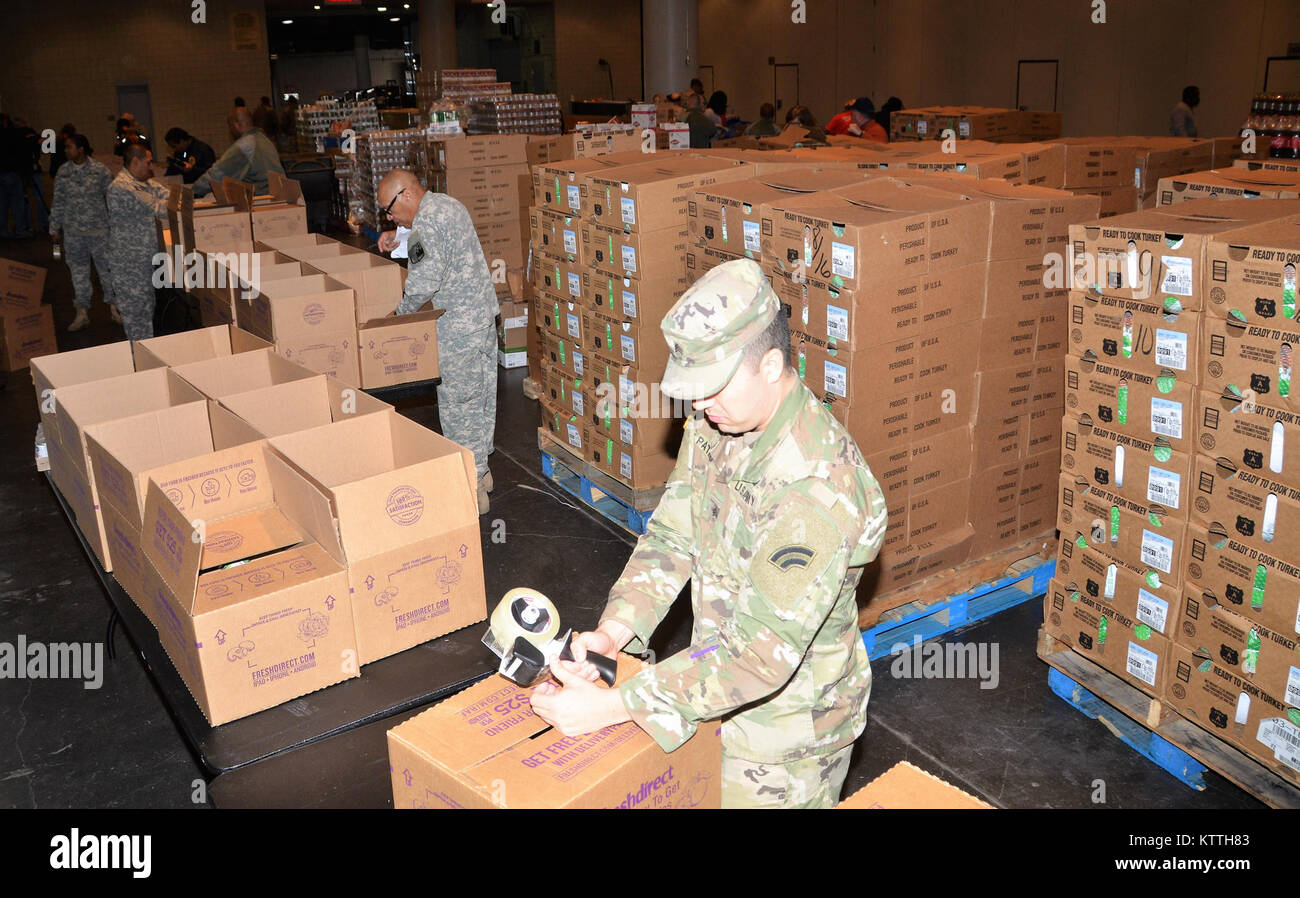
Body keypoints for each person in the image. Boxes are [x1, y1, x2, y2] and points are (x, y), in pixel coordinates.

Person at [529, 259, 888, 809]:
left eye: (711, 387)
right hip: (710, 692)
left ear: (770, 366)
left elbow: (757, 655)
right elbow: (673, 537)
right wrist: (613, 633)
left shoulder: (816, 489)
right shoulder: (719, 421)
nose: (697, 405)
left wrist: (614, 706)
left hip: (785, 741)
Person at [376, 169, 499, 514]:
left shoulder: (426, 223)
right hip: (481, 320)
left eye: (388, 209)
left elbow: (424, 278)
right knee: (481, 402)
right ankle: (484, 471)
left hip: (458, 331)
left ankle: (471, 488)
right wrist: (398, 239)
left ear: (406, 195)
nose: (389, 216)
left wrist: (398, 315)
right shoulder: (446, 205)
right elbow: (438, 247)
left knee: (461, 408)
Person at [49, 133, 114, 331]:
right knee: (78, 272)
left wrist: (115, 226)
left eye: (70, 147)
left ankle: (115, 308)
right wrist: (54, 228)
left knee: (107, 270)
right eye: (66, 148)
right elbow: (58, 201)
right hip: (73, 232)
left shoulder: (100, 170)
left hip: (99, 231)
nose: (66, 151)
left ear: (81, 148)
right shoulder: (63, 171)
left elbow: (111, 198)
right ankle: (82, 313)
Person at [106, 143, 167, 341]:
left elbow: (168, 195)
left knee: (146, 315)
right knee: (137, 323)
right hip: (129, 267)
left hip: (143, 263)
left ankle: (145, 363)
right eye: (148, 162)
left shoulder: (142, 182)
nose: (151, 167)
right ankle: (140, 366)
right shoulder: (122, 187)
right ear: (135, 161)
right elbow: (160, 207)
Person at [192, 106, 285, 197]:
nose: (231, 131)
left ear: (237, 125)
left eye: (230, 127)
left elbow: (217, 174)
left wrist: (193, 191)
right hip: (280, 195)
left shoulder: (245, 145)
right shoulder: (265, 140)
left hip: (264, 198)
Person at [0, 114, 32, 239]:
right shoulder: (12, 134)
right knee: (18, 203)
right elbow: (21, 149)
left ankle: (2, 229)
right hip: (11, 172)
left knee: (2, 204)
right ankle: (20, 230)